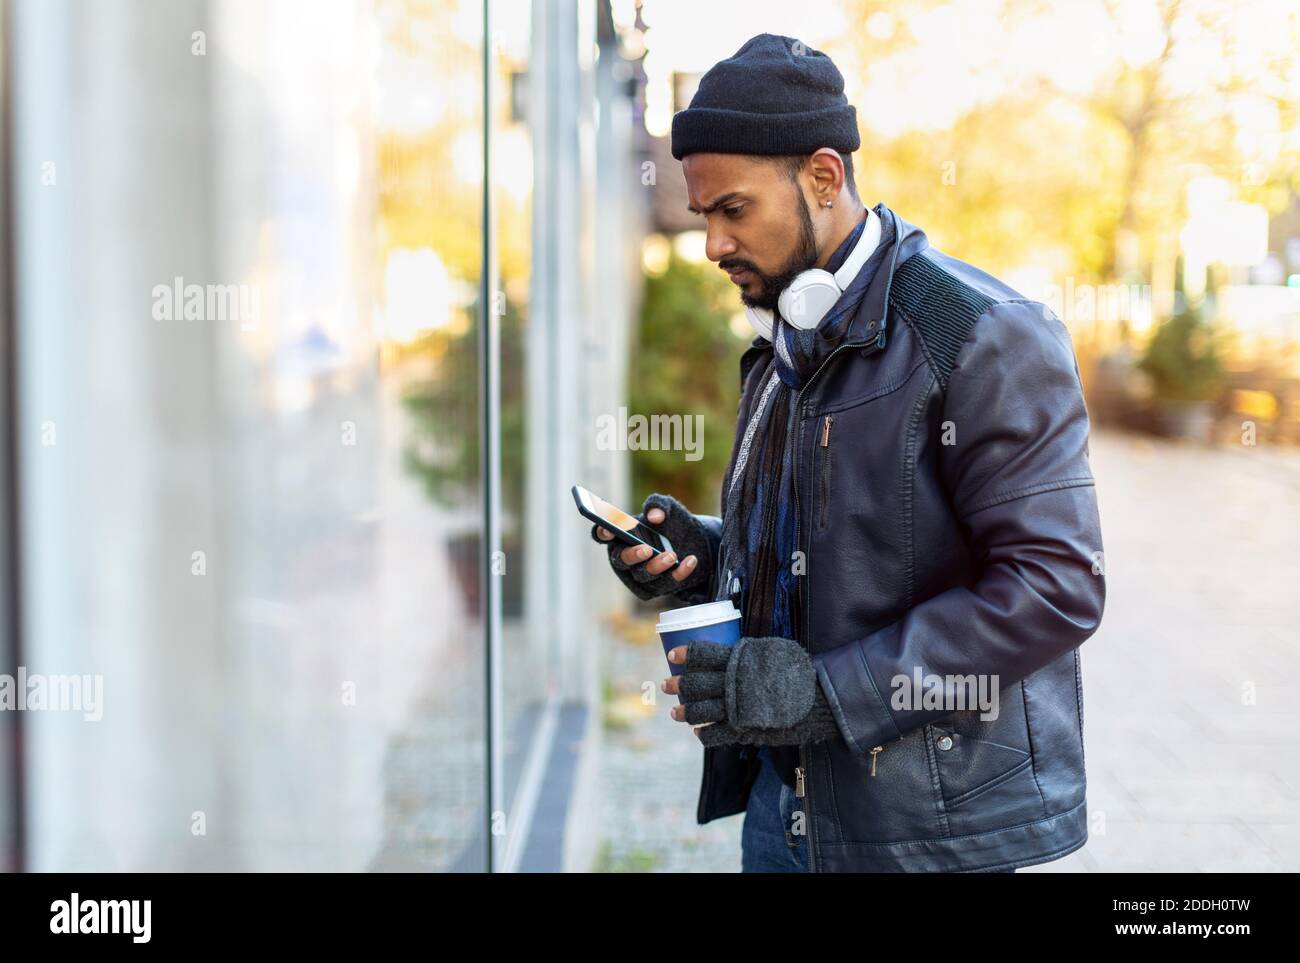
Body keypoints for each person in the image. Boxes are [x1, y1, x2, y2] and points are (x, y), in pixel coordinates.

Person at [594, 33, 1104, 873]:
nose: (713, 244)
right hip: (781, 810)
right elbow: (828, 550)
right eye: (703, 216)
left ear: (824, 177)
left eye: (733, 210)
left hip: (922, 834)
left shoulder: (983, 333)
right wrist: (706, 555)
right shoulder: (780, 337)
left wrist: (827, 693)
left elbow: (1055, 587)